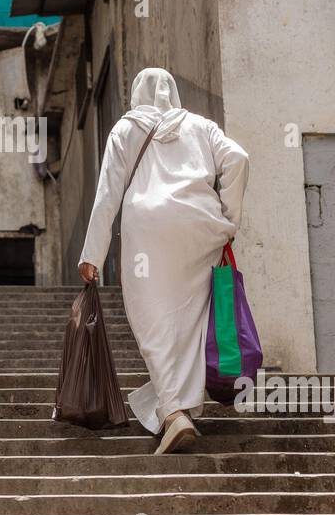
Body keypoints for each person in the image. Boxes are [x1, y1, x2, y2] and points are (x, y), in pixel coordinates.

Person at [78, 68, 249, 454]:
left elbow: (108, 194)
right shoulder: (201, 126)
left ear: (137, 95)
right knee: (190, 319)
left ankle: (173, 413)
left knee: (152, 322)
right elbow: (238, 158)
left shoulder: (125, 129)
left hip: (148, 231)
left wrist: (92, 254)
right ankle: (178, 406)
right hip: (201, 225)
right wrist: (229, 220)